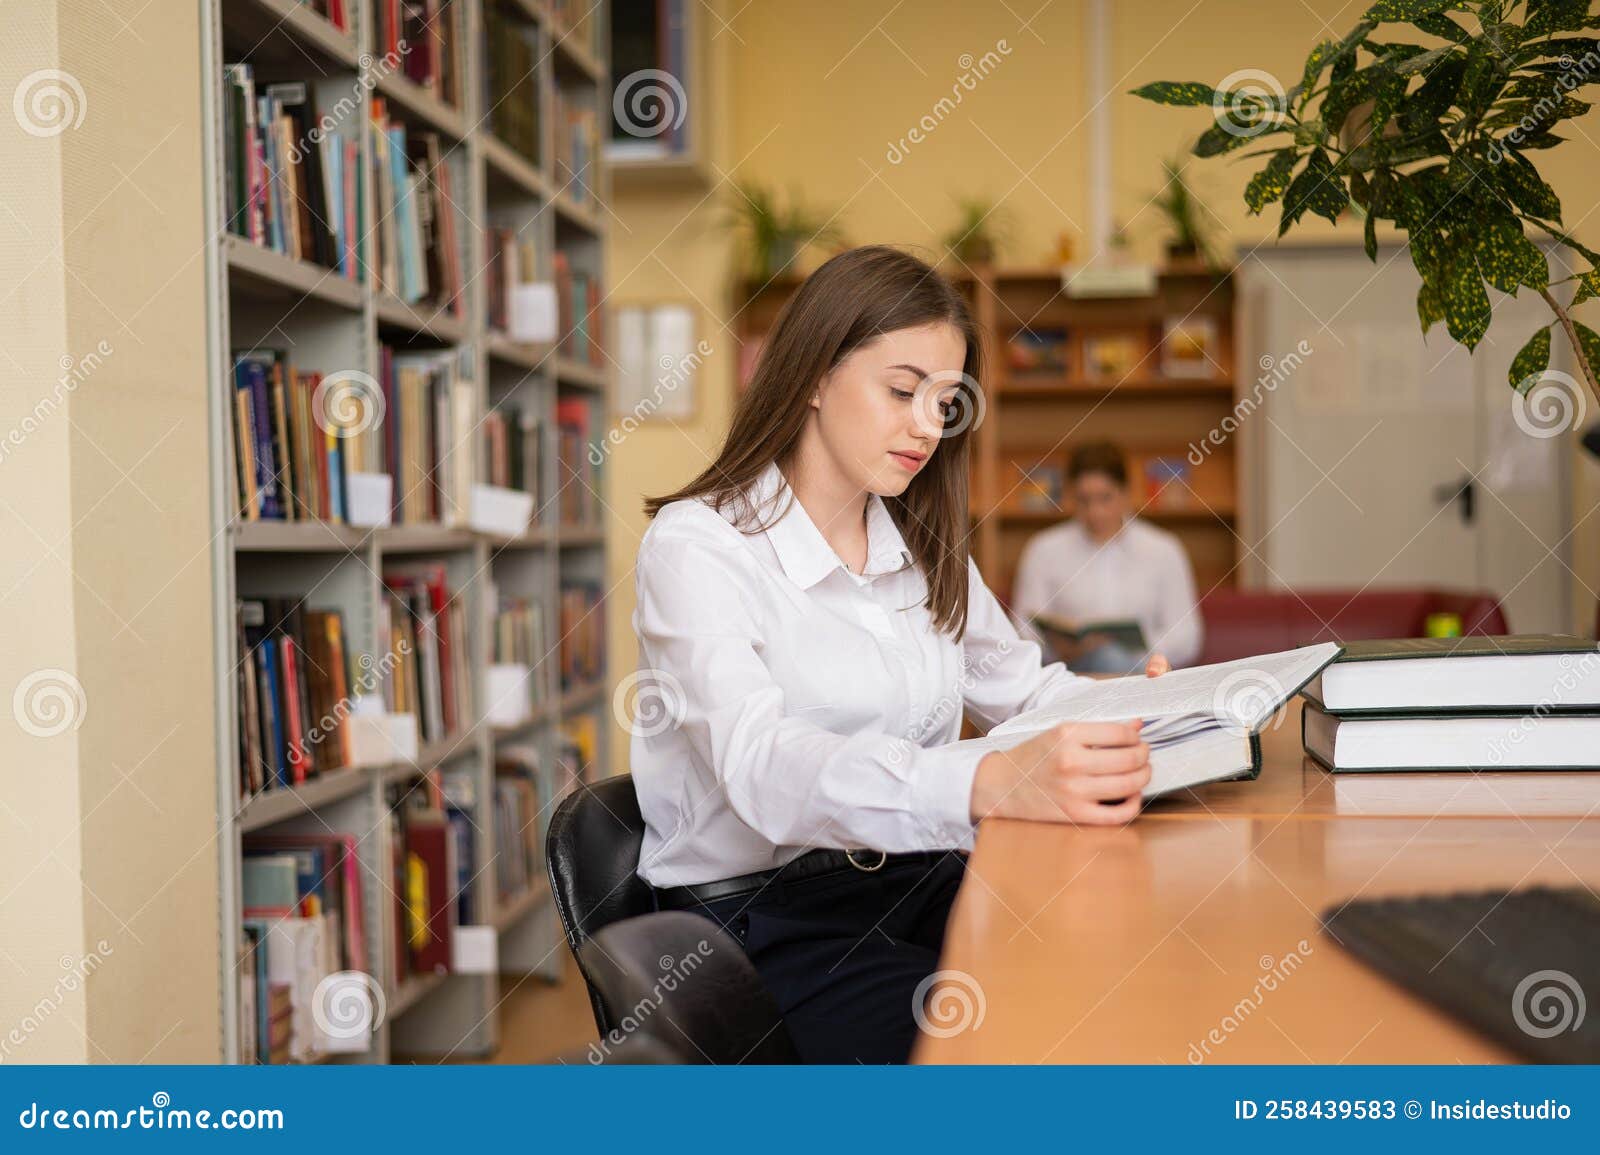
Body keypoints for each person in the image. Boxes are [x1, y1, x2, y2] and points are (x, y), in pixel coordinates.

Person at [629, 245, 1170, 1065]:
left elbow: (1025, 691)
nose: (928, 424)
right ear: (813, 374)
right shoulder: (700, 547)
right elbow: (762, 766)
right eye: (901, 390)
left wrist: (1157, 708)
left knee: (1108, 965)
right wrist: (984, 779)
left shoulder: (918, 543)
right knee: (1012, 1040)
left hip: (907, 878)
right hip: (758, 924)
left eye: (946, 401)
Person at [1011, 441, 1203, 675]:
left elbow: (1187, 636)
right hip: (1071, 676)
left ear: (1125, 494)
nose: (1095, 512)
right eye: (1083, 500)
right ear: (1071, 496)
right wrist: (1061, 649)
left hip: (1145, 674)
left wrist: (1127, 651)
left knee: (1110, 658)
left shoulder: (1163, 549)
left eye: (1105, 498)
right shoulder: (1043, 549)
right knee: (1105, 659)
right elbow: (1024, 630)